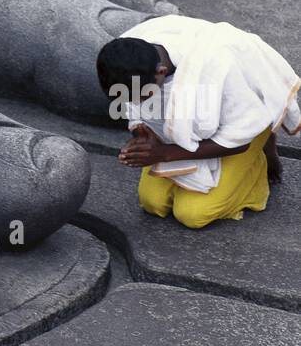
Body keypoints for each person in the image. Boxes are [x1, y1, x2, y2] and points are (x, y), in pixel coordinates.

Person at [96, 15, 301, 229]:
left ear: (161, 73)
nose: (137, 104)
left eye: (142, 97)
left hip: (242, 126)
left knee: (193, 215)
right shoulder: (126, 50)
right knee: (152, 203)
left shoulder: (217, 69)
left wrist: (164, 153)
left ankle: (260, 152)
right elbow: (134, 109)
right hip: (193, 129)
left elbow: (239, 140)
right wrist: (141, 135)